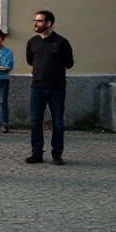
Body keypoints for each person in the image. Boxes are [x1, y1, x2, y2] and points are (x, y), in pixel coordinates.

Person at [25, 10, 74, 165]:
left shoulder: (61, 42)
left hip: (56, 89)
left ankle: (57, 154)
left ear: (48, 23)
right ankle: (37, 152)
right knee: (35, 121)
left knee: (57, 122)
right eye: (35, 20)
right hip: (37, 88)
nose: (36, 23)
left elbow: (69, 63)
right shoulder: (32, 42)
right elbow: (30, 60)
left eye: (39, 21)